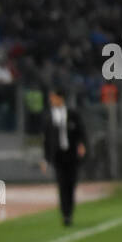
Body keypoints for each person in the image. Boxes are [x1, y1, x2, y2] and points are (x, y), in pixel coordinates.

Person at [40, 85, 86, 226]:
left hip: (71, 154)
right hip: (58, 156)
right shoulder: (49, 118)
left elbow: (81, 132)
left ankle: (70, 211)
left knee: (71, 184)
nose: (52, 100)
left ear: (61, 98)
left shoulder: (72, 115)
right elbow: (47, 140)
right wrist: (46, 159)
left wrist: (82, 144)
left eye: (54, 97)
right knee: (61, 184)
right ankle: (65, 214)